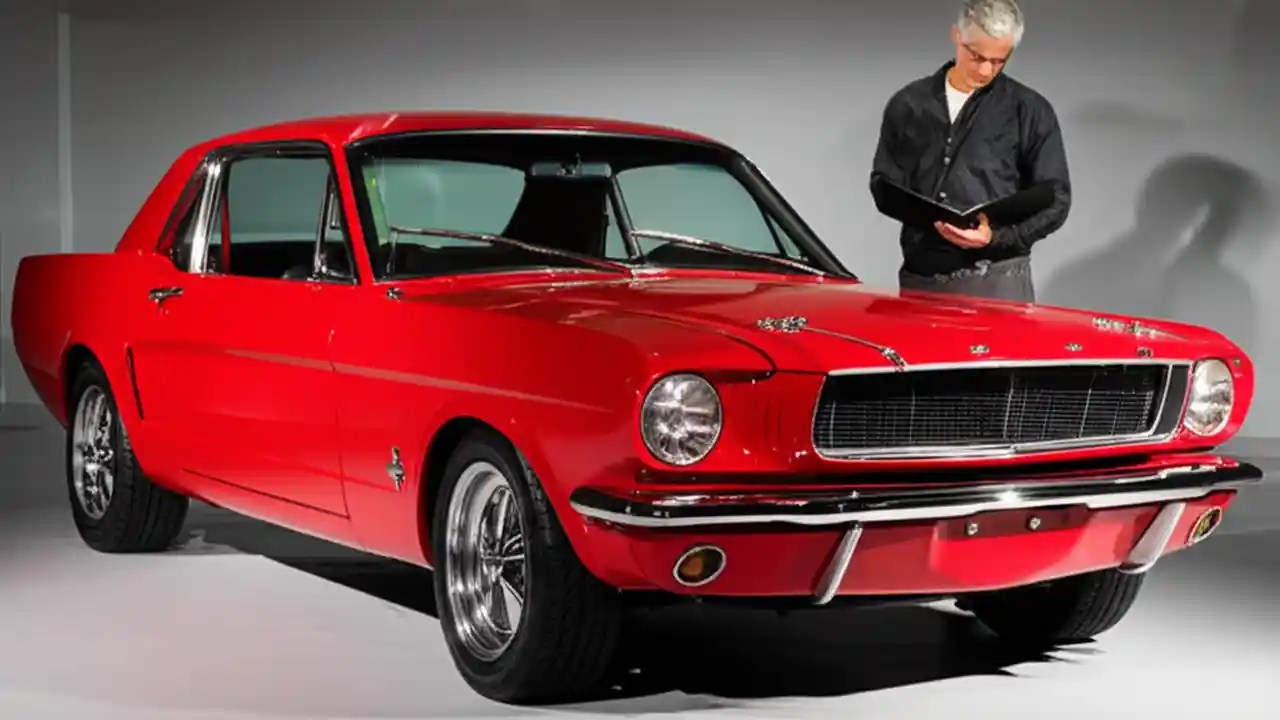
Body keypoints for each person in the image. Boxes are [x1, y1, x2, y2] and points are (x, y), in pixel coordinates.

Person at [869, 0, 1070, 302]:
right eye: (976, 56)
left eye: (999, 60)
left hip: (996, 280)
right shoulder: (909, 103)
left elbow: (1057, 200)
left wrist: (995, 238)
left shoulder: (1029, 110)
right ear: (956, 36)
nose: (986, 70)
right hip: (919, 279)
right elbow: (884, 184)